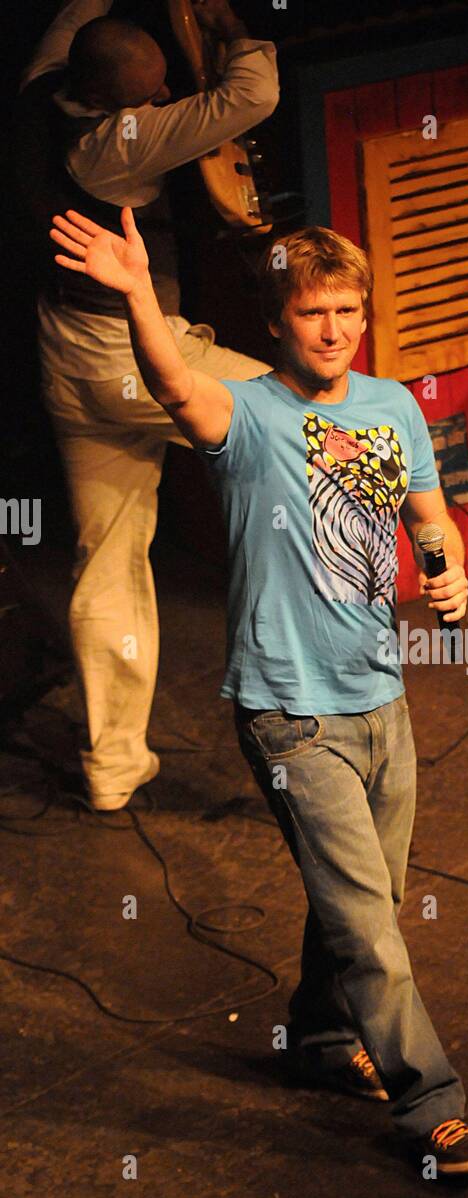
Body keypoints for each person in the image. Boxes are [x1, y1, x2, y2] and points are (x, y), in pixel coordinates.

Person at [48, 202, 468, 1176]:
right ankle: (430, 1104)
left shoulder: (389, 407)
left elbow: (429, 510)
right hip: (291, 719)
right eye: (311, 313)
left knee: (361, 898)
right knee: (371, 928)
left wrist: (443, 560)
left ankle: (323, 1040)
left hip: (382, 702)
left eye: (346, 309)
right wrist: (137, 296)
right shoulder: (247, 414)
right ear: (276, 324)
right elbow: (172, 382)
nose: (331, 328)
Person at [17, 0, 279, 810]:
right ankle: (318, 692)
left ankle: (112, 766)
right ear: (114, 105)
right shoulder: (116, 145)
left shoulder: (44, 84)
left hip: (64, 353)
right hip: (125, 358)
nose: (166, 104)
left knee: (108, 559)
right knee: (302, 416)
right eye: (154, 96)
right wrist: (231, 28)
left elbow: (74, 14)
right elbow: (254, 95)